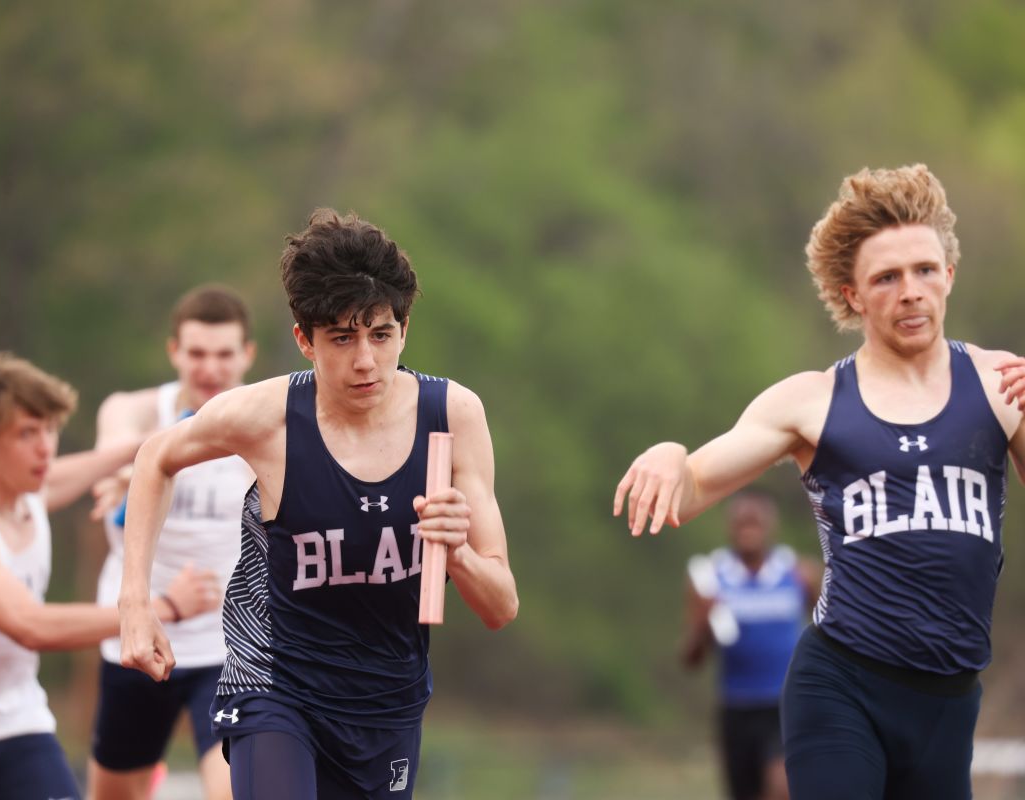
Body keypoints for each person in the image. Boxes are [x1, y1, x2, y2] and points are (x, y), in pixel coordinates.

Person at [614, 164, 1025, 800]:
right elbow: (692, 486)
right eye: (886, 278)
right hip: (843, 687)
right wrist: (671, 453)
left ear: (949, 274)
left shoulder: (1003, 386)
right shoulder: (813, 401)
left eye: (923, 270)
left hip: (950, 702)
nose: (910, 291)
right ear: (853, 295)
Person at [117, 209, 519, 799]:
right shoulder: (266, 417)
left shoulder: (452, 416)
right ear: (304, 339)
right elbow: (156, 457)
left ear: (404, 330)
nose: (365, 361)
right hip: (277, 683)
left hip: (386, 699)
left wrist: (457, 553)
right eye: (342, 337)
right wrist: (135, 603)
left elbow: (500, 605)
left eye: (381, 335)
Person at [0, 353, 219, 800]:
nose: (45, 448)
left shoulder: (28, 487)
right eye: (27, 434)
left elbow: (127, 453)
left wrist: (192, 426)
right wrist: (163, 608)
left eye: (50, 429)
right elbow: (30, 626)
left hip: (13, 724)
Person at [88, 285, 257, 800]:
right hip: (139, 636)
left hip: (227, 646)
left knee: (232, 790)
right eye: (197, 354)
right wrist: (126, 472)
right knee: (116, 793)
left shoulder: (264, 424)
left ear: (246, 355)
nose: (210, 368)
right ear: (174, 353)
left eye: (224, 354)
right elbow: (116, 449)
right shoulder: (136, 411)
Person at [682, 492, 819, 800]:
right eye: (741, 523)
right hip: (736, 706)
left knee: (782, 788)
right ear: (729, 527)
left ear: (771, 526)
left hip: (785, 703)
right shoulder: (710, 580)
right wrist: (701, 625)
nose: (748, 529)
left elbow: (829, 628)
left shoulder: (799, 573)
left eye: (755, 522)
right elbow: (691, 660)